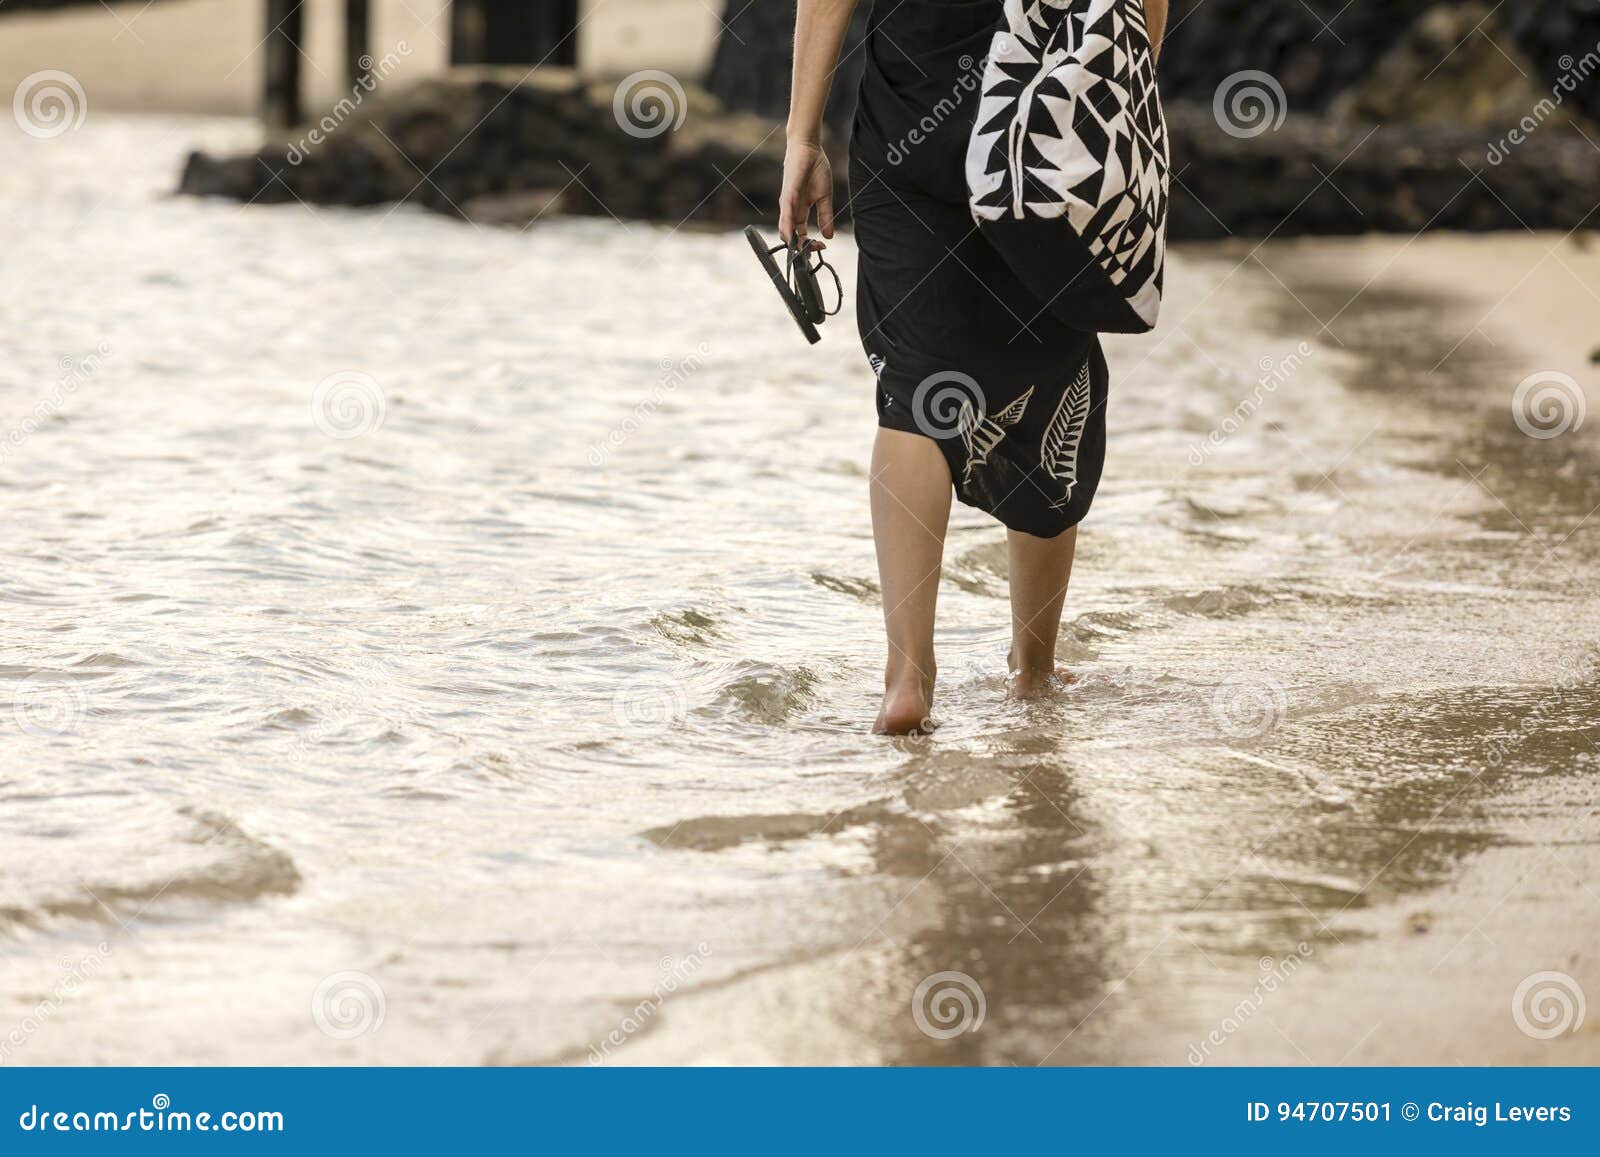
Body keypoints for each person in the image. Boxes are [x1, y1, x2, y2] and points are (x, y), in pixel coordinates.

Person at [779, 0, 1170, 733]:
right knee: (1053, 373)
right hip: (1043, 116)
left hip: (909, 112)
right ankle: (1034, 669)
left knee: (914, 389)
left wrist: (802, 135)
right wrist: (1123, 94)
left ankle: (907, 675)